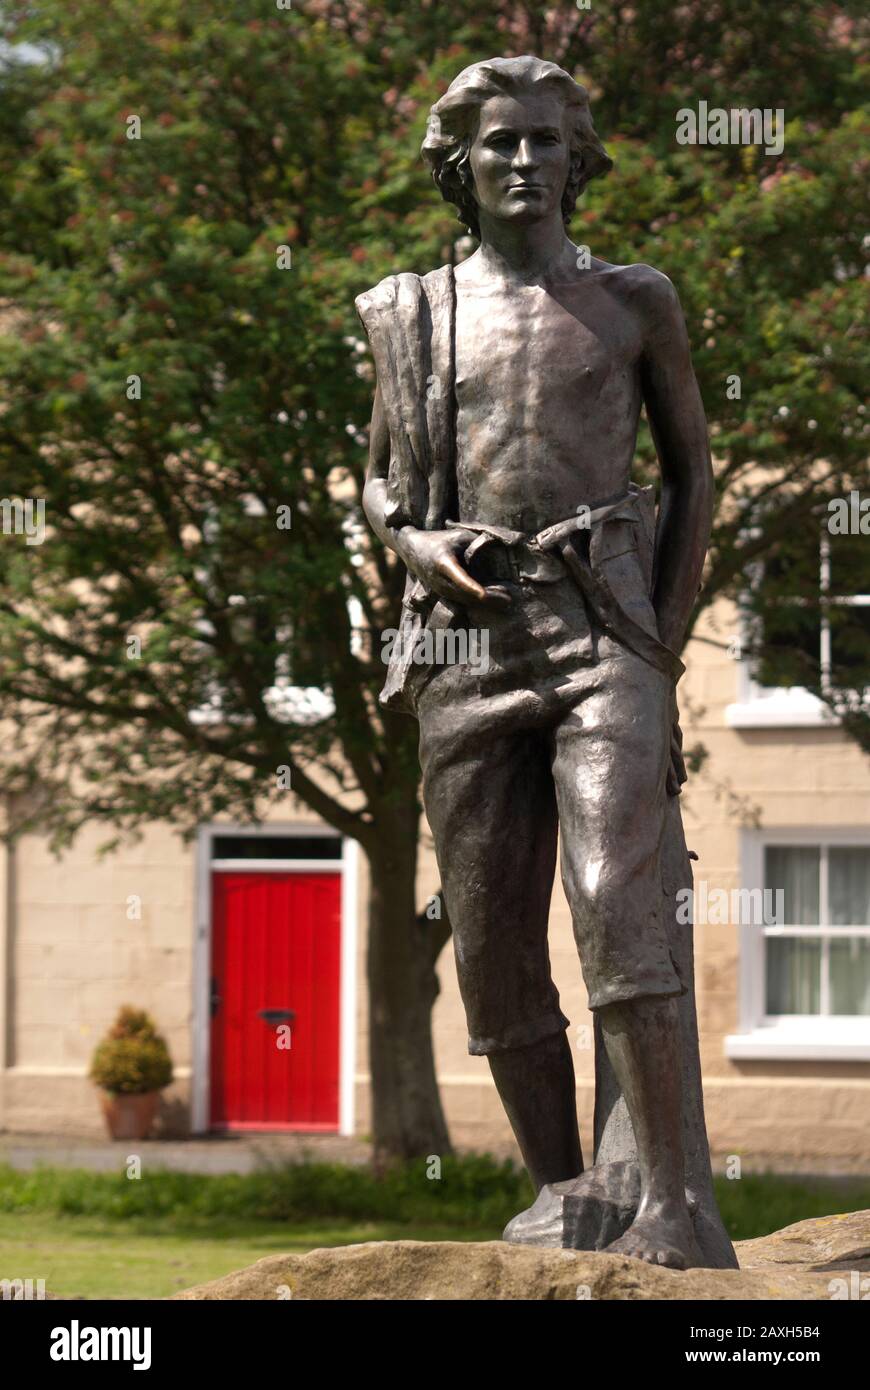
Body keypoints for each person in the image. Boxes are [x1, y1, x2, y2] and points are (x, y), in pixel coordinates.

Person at [358, 56, 714, 1269]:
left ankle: (672, 1200)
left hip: (600, 626)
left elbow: (692, 477)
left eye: (545, 143)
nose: (524, 162)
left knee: (617, 896)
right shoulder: (407, 310)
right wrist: (410, 535)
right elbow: (376, 479)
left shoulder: (634, 300)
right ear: (461, 164)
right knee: (491, 933)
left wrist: (659, 653)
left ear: (577, 158)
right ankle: (563, 1185)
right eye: (500, 143)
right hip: (464, 641)